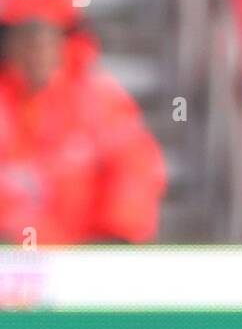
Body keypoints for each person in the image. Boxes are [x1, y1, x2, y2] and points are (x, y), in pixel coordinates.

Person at [0, 20, 166, 245]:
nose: (36, 52)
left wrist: (118, 233)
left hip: (86, 258)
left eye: (45, 41)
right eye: (26, 40)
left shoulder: (98, 99)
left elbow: (136, 167)